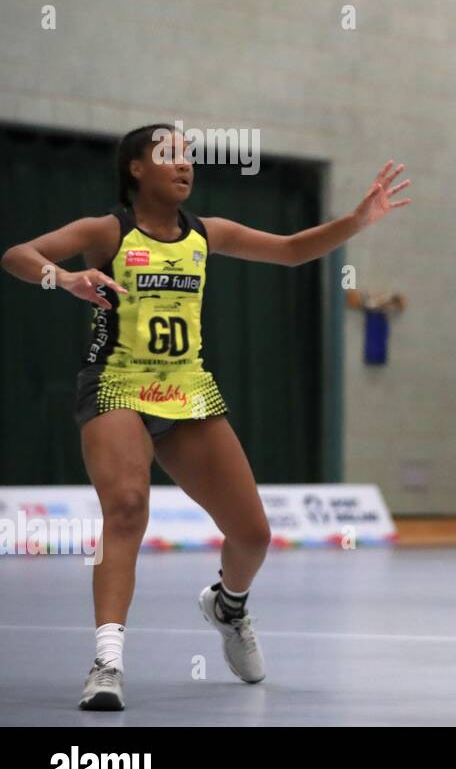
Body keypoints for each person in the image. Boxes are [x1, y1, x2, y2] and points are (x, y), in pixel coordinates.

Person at [0, 123, 411, 709]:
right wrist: (63, 276)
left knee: (253, 533)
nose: (185, 163)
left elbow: (293, 250)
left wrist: (356, 220)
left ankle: (228, 606)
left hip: (188, 391)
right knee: (125, 508)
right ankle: (107, 663)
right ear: (137, 168)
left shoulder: (206, 233)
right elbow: (18, 255)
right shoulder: (107, 230)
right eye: (169, 154)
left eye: (189, 155)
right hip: (117, 383)